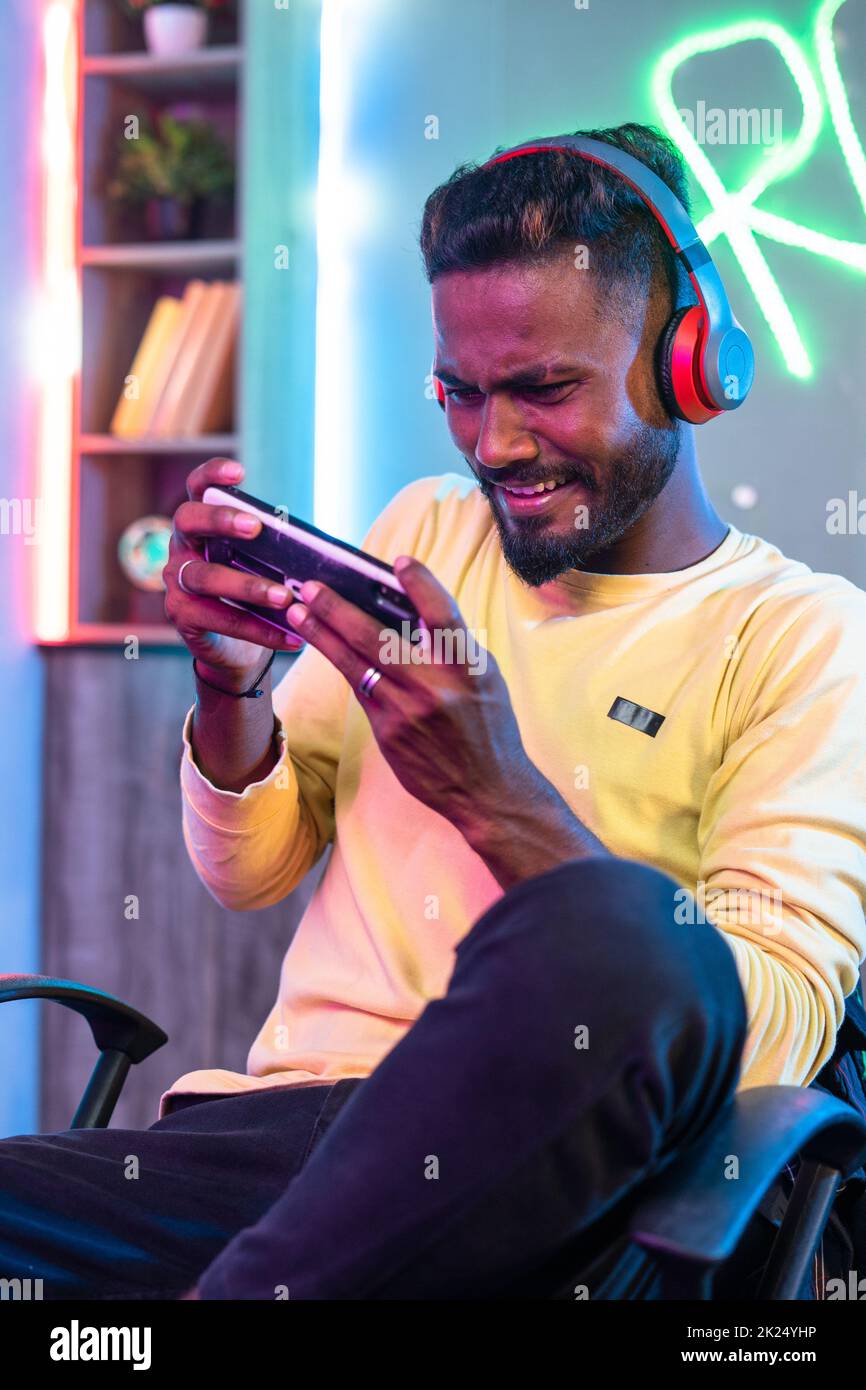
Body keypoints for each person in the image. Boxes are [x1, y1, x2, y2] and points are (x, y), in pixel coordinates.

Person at [3, 124, 866, 1301]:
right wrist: (225, 688)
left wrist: (493, 792)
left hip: (563, 1173)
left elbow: (752, 1036)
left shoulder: (805, 637)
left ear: (691, 364)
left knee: (623, 928)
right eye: (459, 394)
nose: (493, 446)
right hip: (277, 1142)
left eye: (543, 390)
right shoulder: (423, 534)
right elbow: (249, 870)